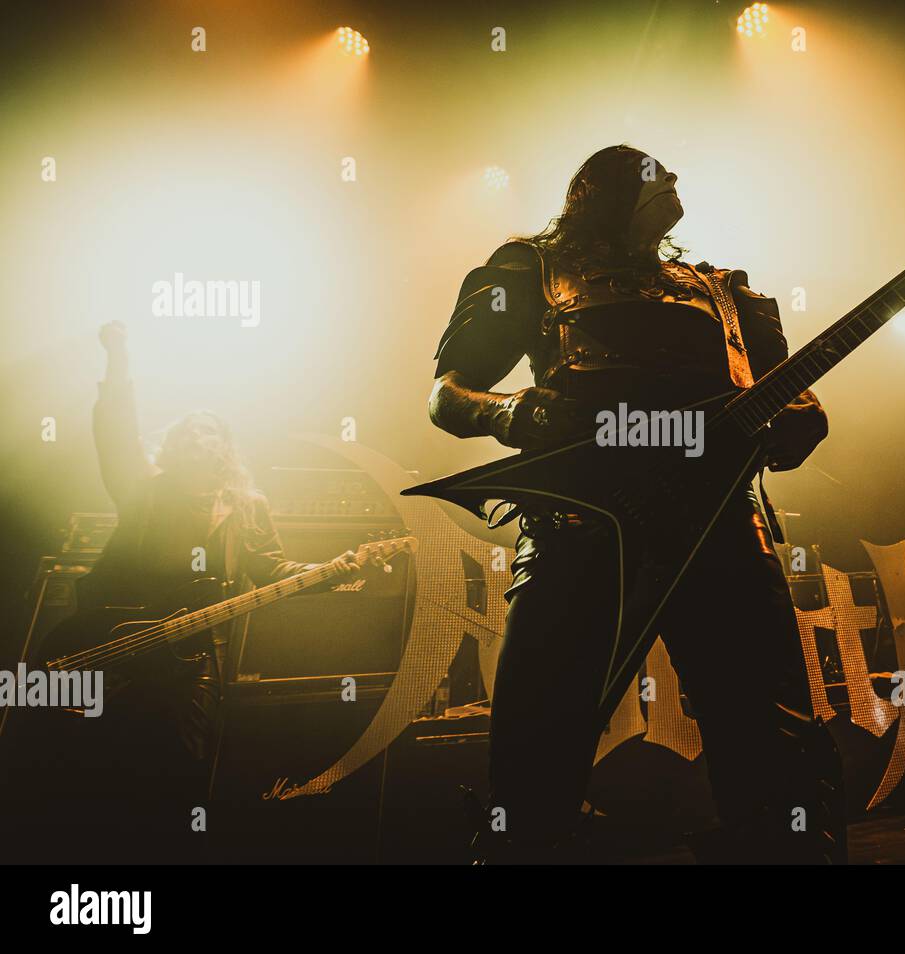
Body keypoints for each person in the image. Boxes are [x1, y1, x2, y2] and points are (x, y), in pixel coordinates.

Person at [428, 145, 841, 862]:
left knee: (772, 735)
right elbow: (447, 394)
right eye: (652, 169)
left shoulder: (722, 289)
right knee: (541, 731)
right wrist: (506, 413)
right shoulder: (531, 267)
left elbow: (785, 388)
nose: (674, 176)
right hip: (583, 525)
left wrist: (806, 414)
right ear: (596, 189)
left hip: (723, 526)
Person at [14, 322, 362, 860]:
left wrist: (333, 570)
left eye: (211, 432)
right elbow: (115, 434)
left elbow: (271, 569)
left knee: (182, 777)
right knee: (98, 769)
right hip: (114, 639)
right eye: (191, 432)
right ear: (174, 444)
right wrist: (118, 362)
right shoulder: (144, 489)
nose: (201, 439)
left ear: (225, 447)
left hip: (190, 657)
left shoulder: (248, 505)